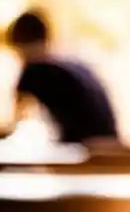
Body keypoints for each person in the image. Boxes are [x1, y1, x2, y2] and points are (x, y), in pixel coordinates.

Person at [7, 10, 118, 145]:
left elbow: (14, 121)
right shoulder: (73, 66)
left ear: (18, 45)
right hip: (108, 143)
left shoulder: (35, 71)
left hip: (88, 150)